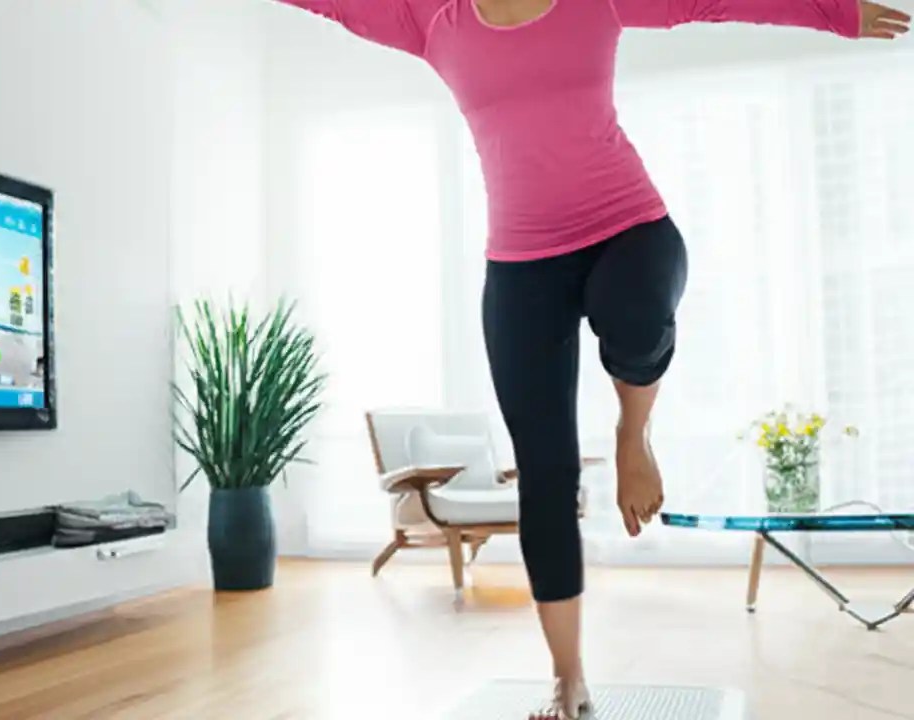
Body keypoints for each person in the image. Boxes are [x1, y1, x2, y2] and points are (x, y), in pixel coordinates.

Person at [272, 0, 908, 717]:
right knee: (545, 476)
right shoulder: (431, 17)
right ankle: (568, 678)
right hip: (520, 268)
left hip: (629, 231)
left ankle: (633, 432)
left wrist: (834, 12)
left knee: (634, 318)